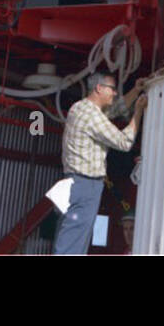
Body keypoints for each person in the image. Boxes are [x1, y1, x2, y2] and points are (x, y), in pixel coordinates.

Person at [53, 72, 147, 255]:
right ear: (99, 88)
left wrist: (136, 90)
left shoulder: (80, 108)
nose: (114, 93)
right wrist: (138, 112)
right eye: (112, 89)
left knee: (73, 236)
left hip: (76, 182)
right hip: (85, 184)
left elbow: (116, 109)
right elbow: (124, 142)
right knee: (75, 241)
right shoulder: (92, 116)